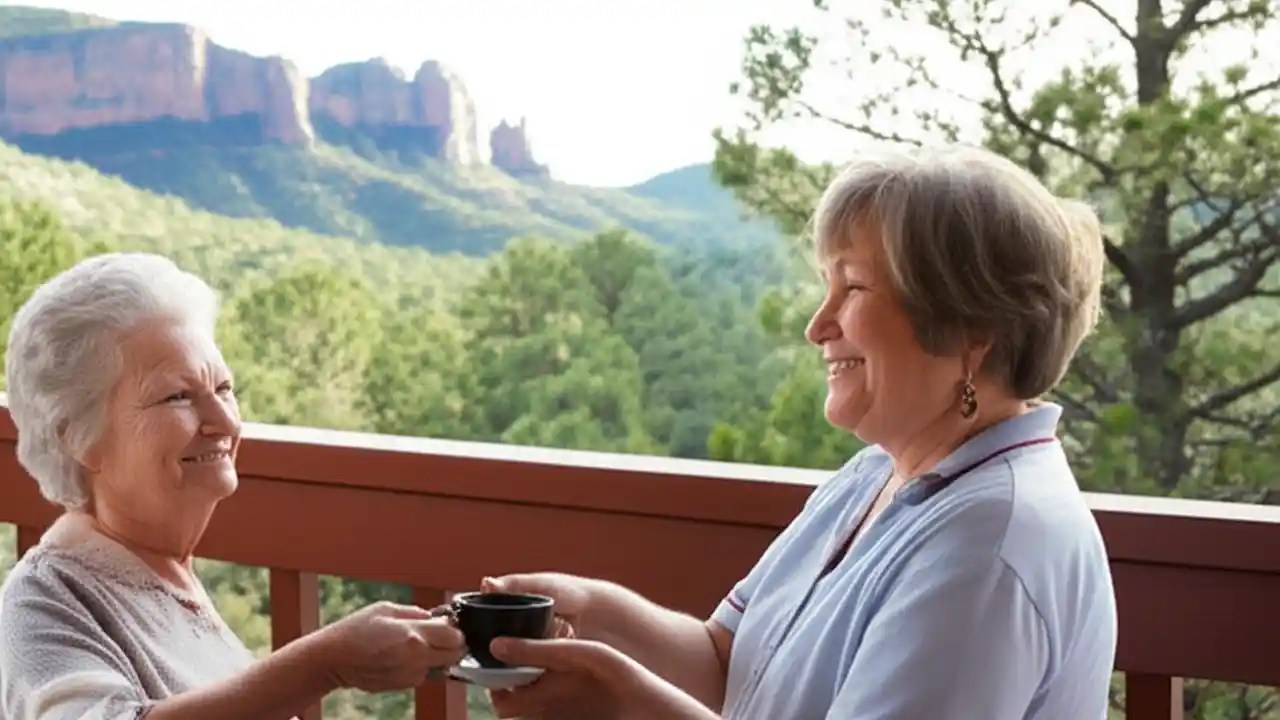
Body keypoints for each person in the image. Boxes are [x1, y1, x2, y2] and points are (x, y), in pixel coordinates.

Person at [480, 145, 1119, 719]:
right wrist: (595, 614)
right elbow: (729, 666)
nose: (818, 326)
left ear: (972, 331)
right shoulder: (875, 477)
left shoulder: (992, 543)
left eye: (855, 287)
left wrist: (628, 706)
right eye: (825, 286)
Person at [0, 253, 466, 719]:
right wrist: (323, 666)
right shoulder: (42, 604)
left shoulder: (159, 576)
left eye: (224, 389)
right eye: (178, 396)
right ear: (78, 437)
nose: (223, 421)